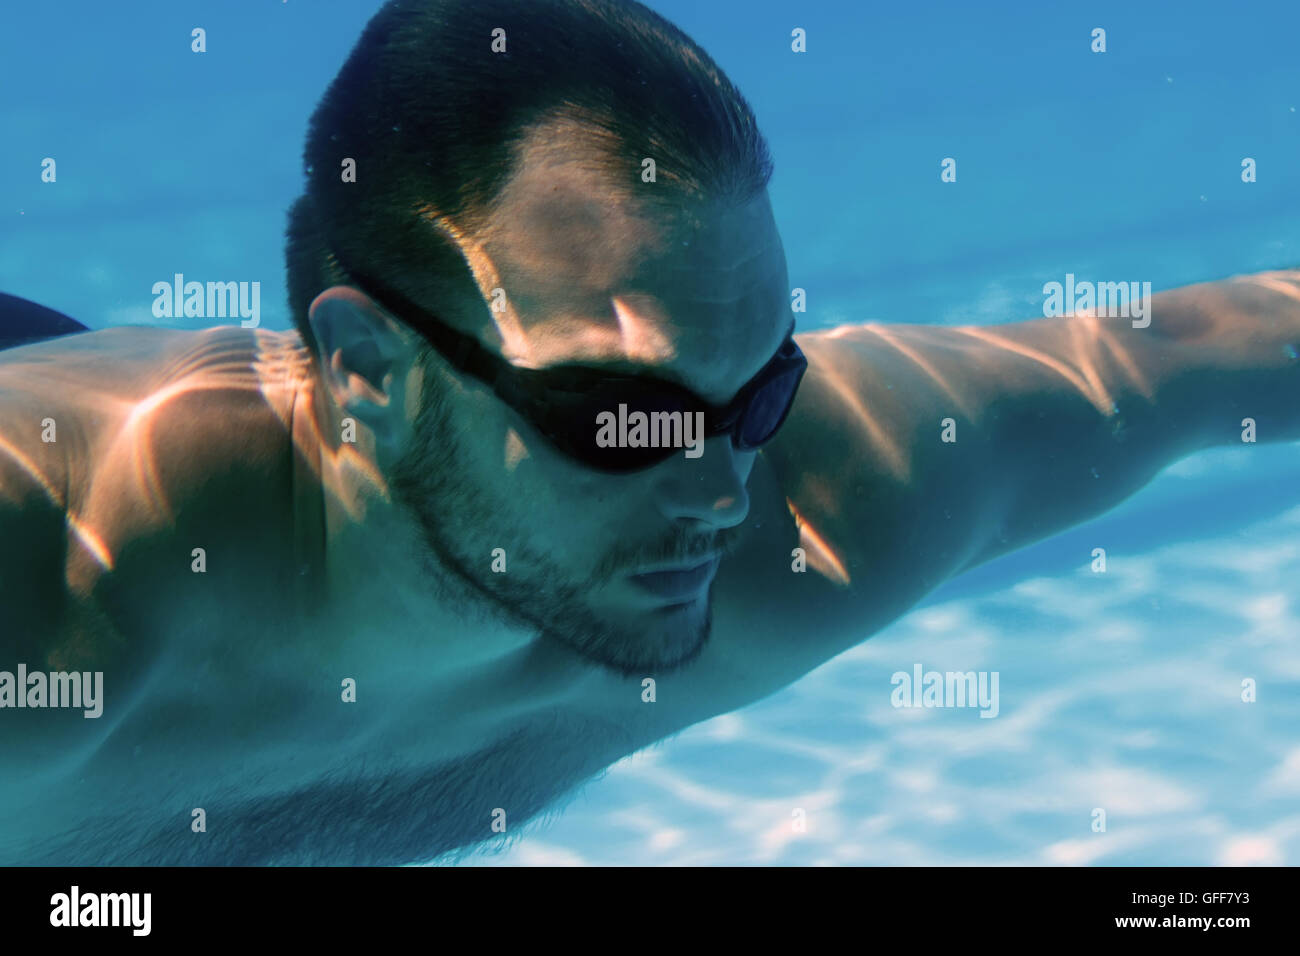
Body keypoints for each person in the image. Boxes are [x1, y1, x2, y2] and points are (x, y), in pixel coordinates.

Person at [1, 0, 1297, 865]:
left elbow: (1170, 356)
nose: (722, 491)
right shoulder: (51, 614)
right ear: (367, 372)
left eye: (759, 393)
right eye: (627, 415)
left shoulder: (818, 521)